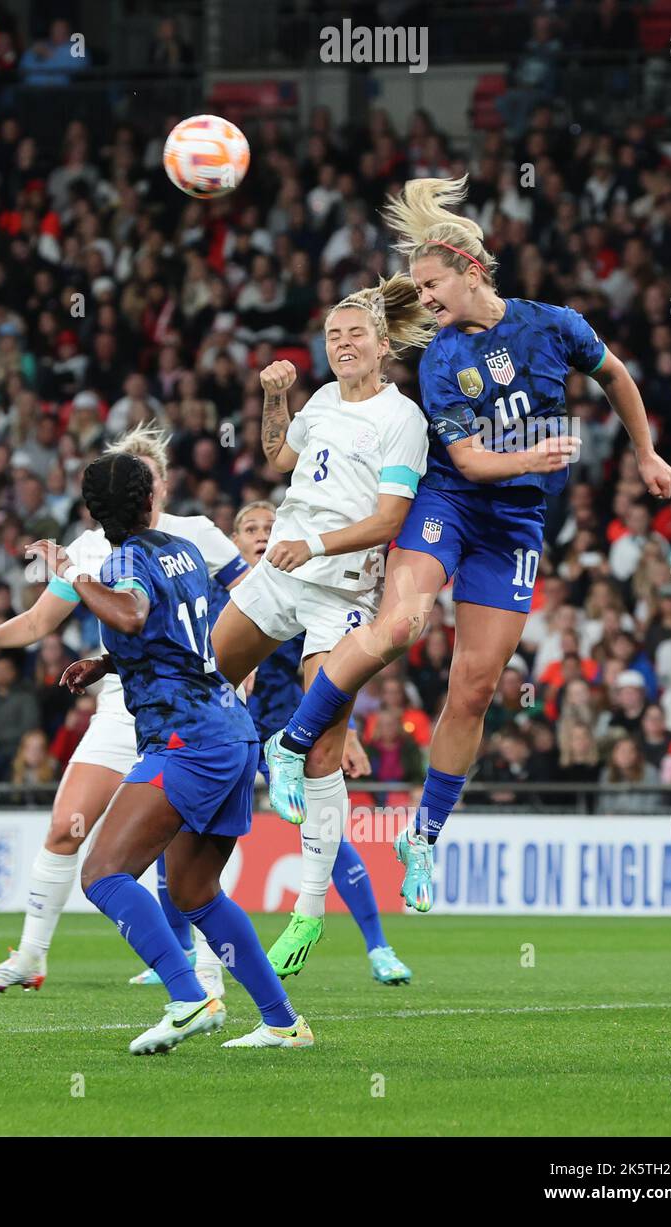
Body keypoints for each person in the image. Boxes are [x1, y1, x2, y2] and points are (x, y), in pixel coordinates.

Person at [268, 175, 671, 913]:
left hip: (514, 526)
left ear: (471, 271)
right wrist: (535, 458)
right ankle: (291, 742)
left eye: (431, 284)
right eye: (417, 289)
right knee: (401, 625)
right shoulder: (438, 360)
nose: (423, 299)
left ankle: (421, 837)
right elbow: (468, 464)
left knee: (477, 686)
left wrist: (646, 453)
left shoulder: (555, 324)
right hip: (451, 504)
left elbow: (614, 374)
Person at [0, 424, 249, 995]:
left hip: (186, 707)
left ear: (160, 484)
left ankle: (203, 977)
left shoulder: (196, 536)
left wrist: (242, 668)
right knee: (66, 828)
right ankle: (31, 957)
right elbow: (43, 621)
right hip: (122, 709)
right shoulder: (97, 545)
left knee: (177, 855)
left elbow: (249, 598)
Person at [39, 451, 312, 1051]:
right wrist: (107, 663)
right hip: (232, 733)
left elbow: (134, 614)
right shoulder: (184, 551)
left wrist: (76, 573)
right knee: (194, 892)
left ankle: (190, 997)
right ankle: (283, 1023)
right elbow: (180, 631)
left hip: (187, 742)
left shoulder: (123, 561)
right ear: (147, 500)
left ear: (93, 510)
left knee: (103, 874)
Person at [207, 274, 433, 978]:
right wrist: (275, 397)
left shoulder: (404, 418)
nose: (341, 345)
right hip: (281, 571)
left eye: (355, 334)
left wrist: (317, 544)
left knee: (321, 747)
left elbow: (393, 518)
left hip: (341, 590)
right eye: (333, 336)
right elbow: (280, 457)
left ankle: (308, 910)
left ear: (383, 344)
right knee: (200, 674)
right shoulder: (323, 400)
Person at [224, 500, 414, 984]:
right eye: (251, 527)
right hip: (233, 729)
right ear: (237, 542)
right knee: (197, 824)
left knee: (330, 839)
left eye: (270, 525)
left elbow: (334, 658)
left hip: (295, 727)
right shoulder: (234, 597)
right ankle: (187, 954)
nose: (263, 534)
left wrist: (344, 730)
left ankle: (378, 946)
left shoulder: (303, 581)